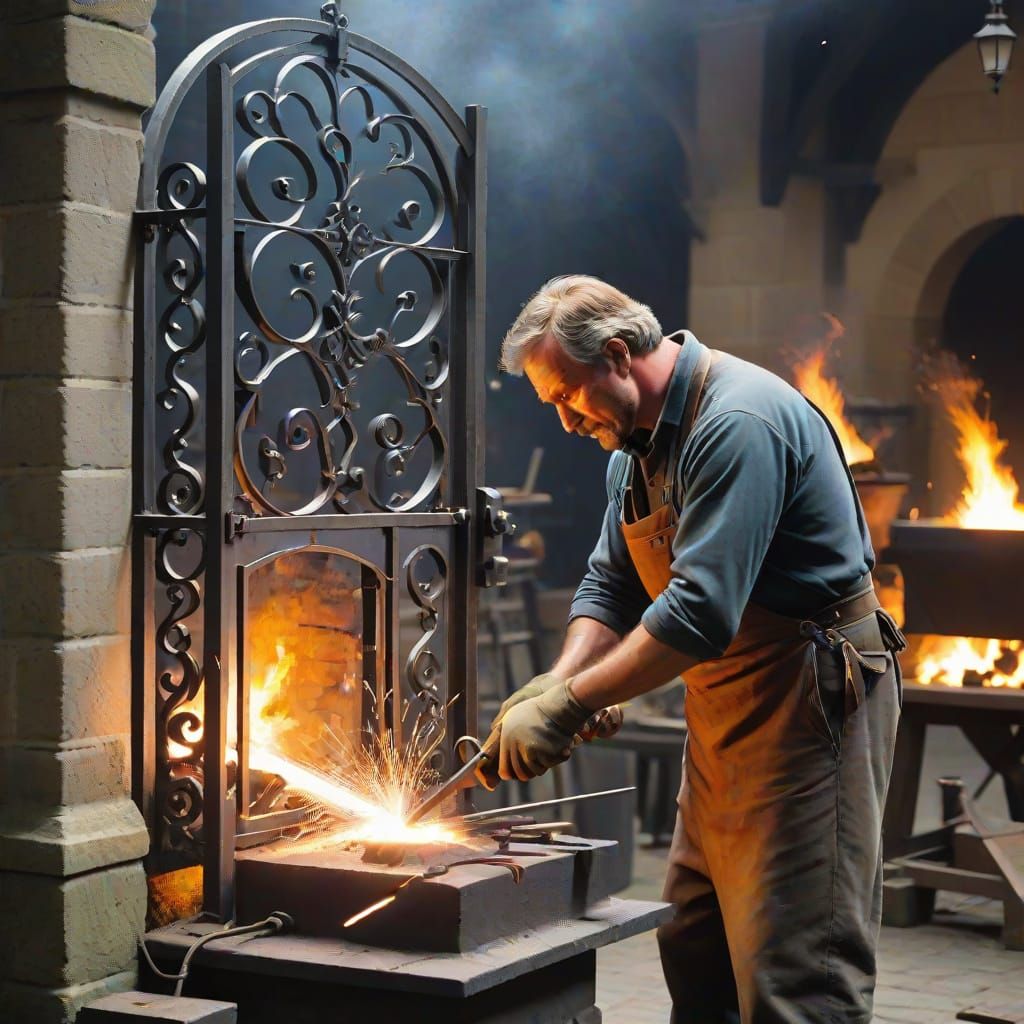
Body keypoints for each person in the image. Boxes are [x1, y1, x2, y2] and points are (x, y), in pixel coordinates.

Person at [487, 275, 905, 1024]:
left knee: (796, 967)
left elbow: (699, 612)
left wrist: (575, 705)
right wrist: (558, 682)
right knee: (695, 942)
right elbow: (609, 588)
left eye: (566, 395)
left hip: (811, 703)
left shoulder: (738, 420)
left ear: (617, 354)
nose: (563, 420)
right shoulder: (634, 451)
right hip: (724, 718)